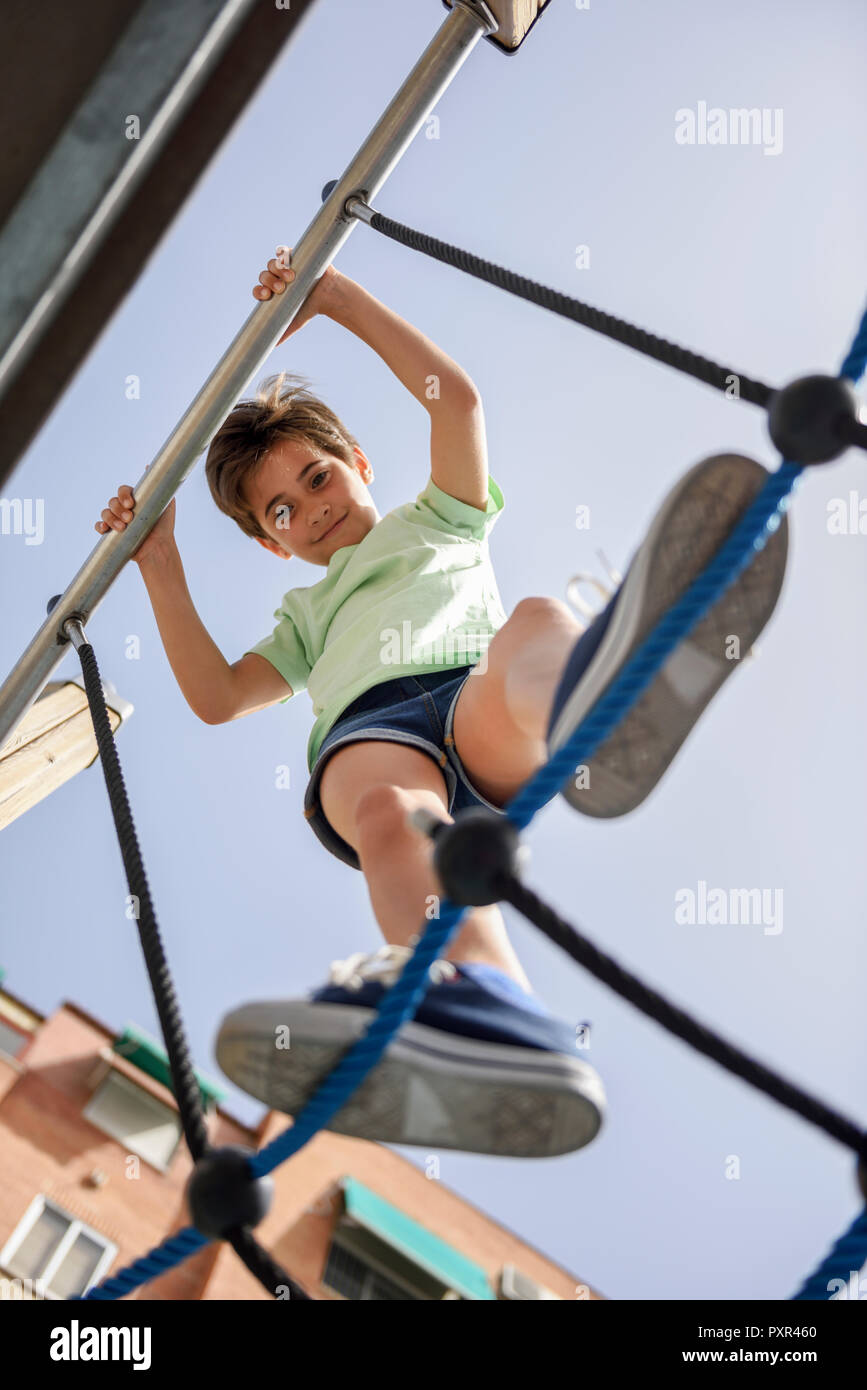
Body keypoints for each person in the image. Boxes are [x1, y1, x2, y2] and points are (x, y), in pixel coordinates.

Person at [95, 252, 787, 1158]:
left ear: (357, 464)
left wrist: (337, 299)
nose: (308, 510)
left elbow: (454, 401)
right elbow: (218, 697)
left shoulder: (441, 519)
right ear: (271, 547)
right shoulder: (302, 616)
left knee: (537, 618)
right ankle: (493, 999)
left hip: (478, 700)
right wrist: (160, 565)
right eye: (278, 515)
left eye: (316, 479)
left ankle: (599, 705)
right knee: (392, 813)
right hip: (375, 734)